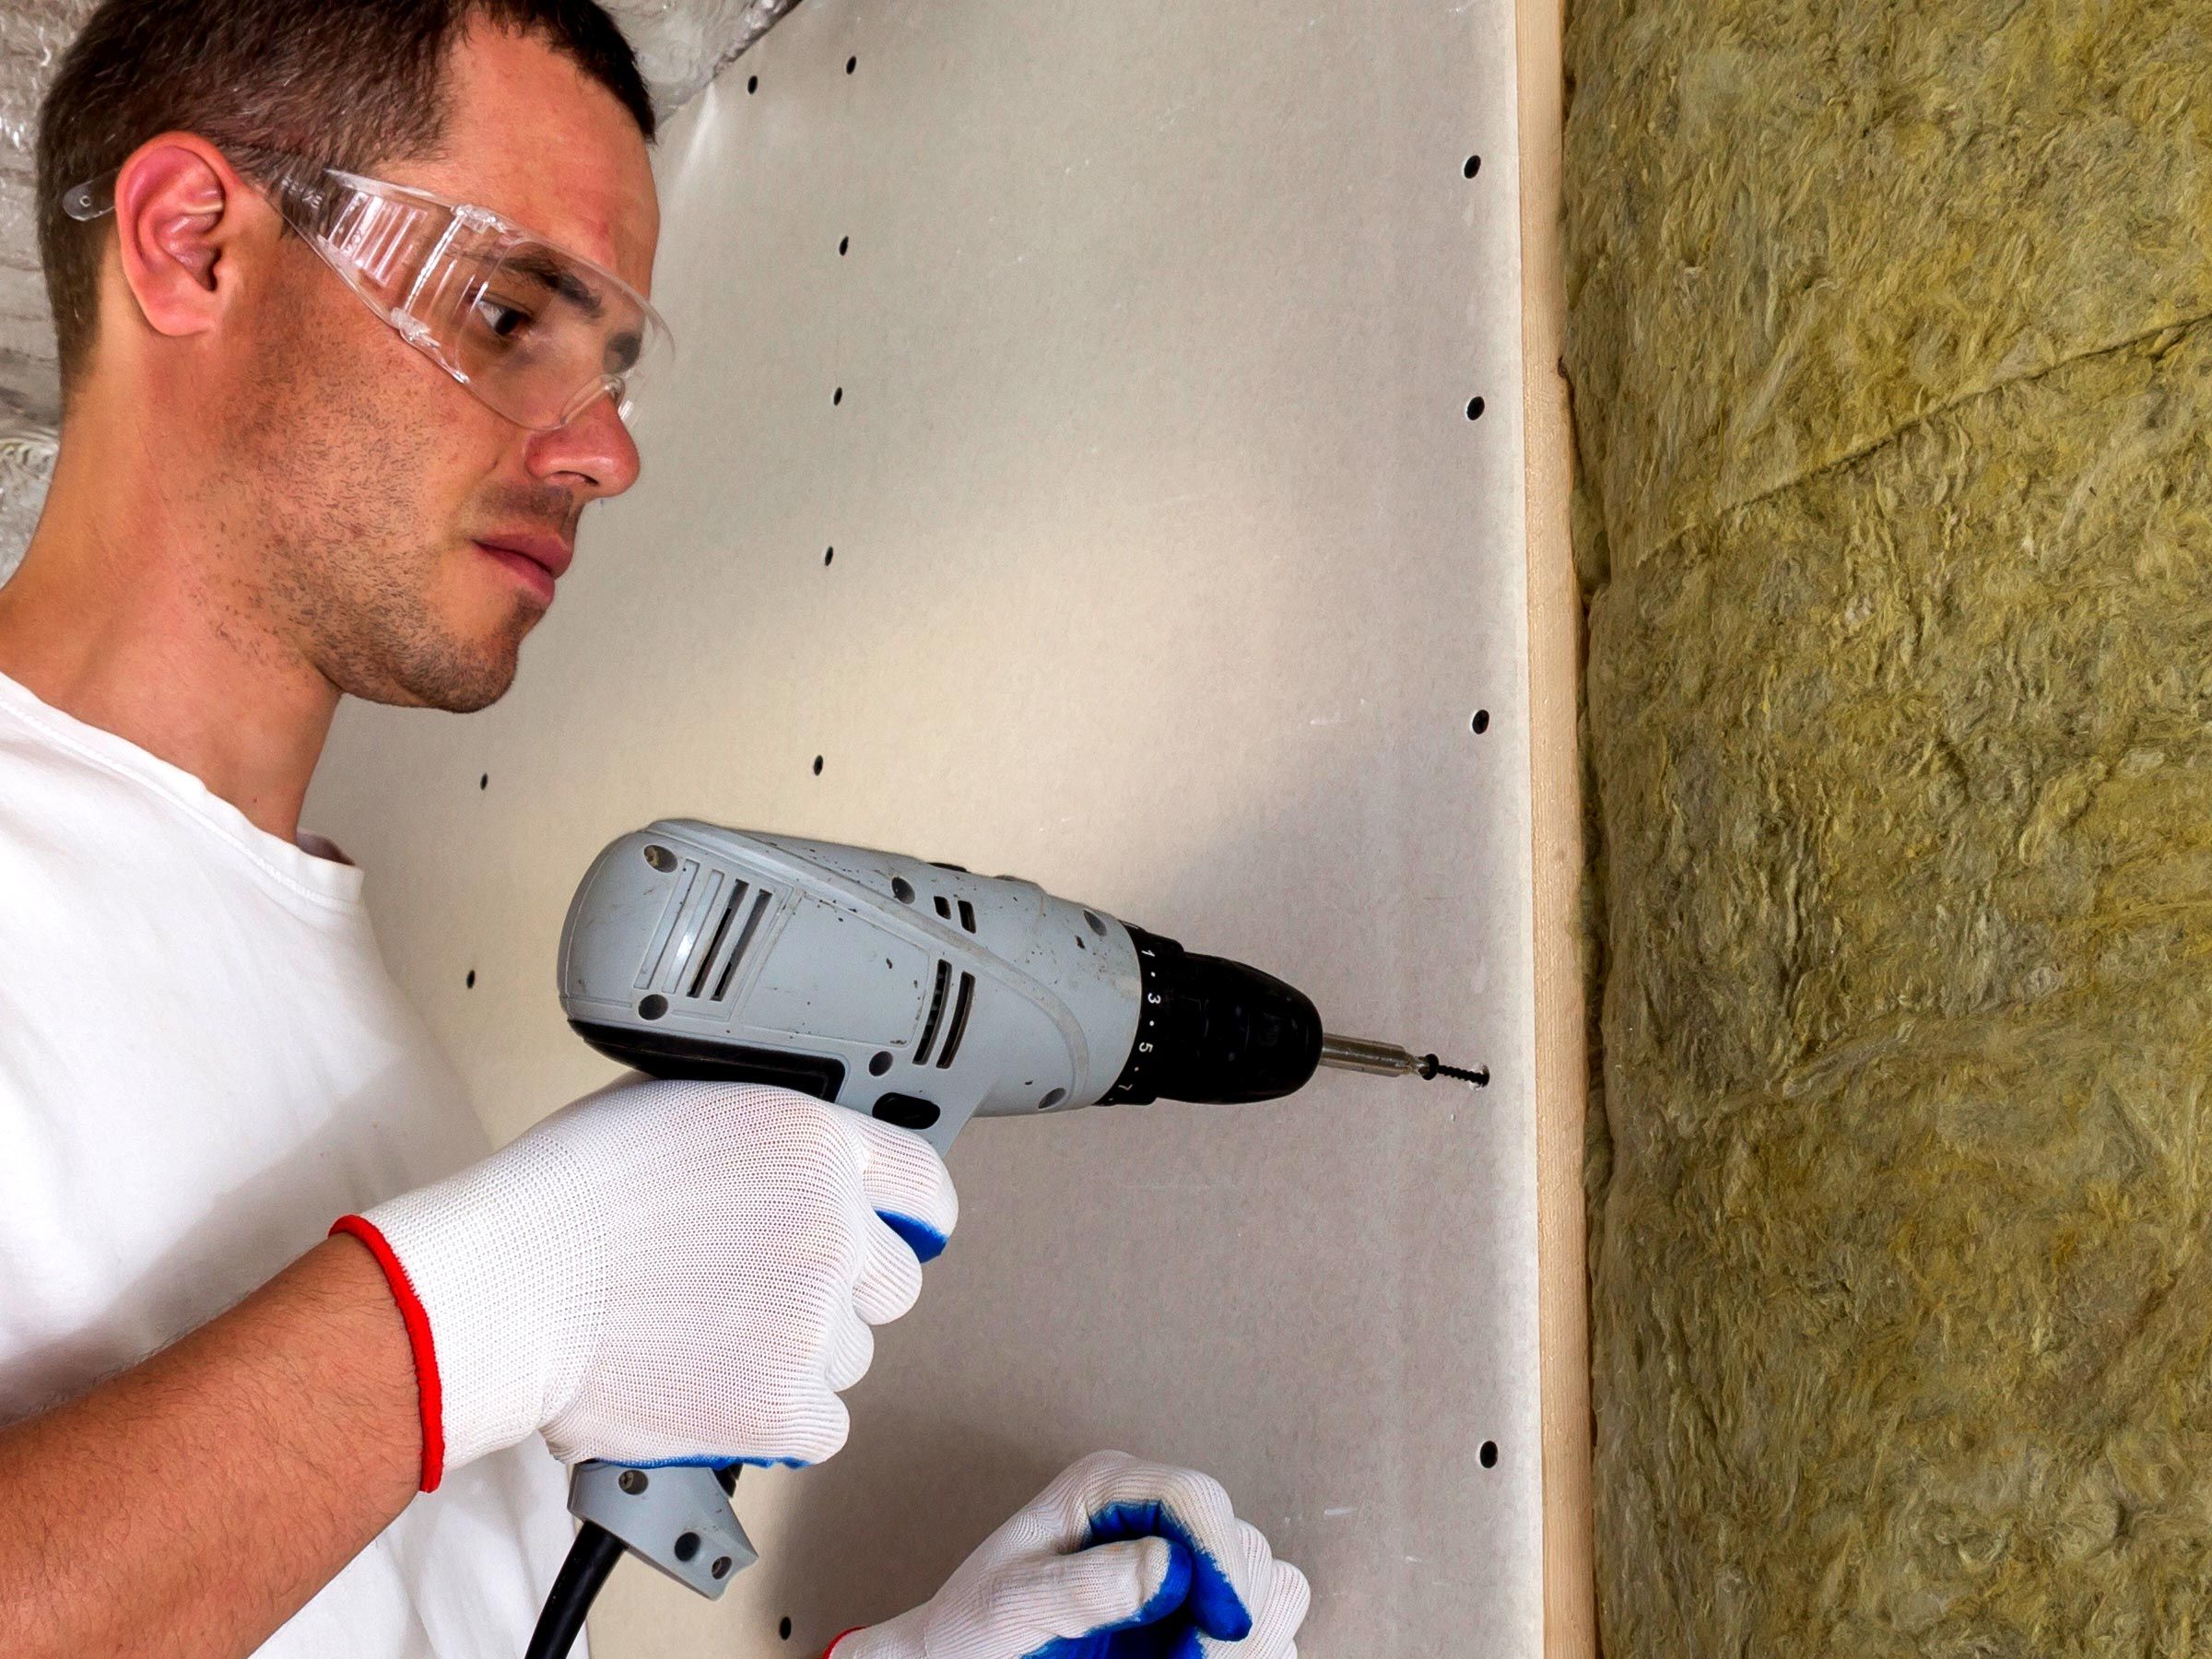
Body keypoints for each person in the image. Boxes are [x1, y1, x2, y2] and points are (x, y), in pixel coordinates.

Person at [0, 2, 1312, 1655]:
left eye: (614, 367)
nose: (606, 451)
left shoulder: (352, 1032)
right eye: (506, 312)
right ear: (194, 243)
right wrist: (460, 1320)